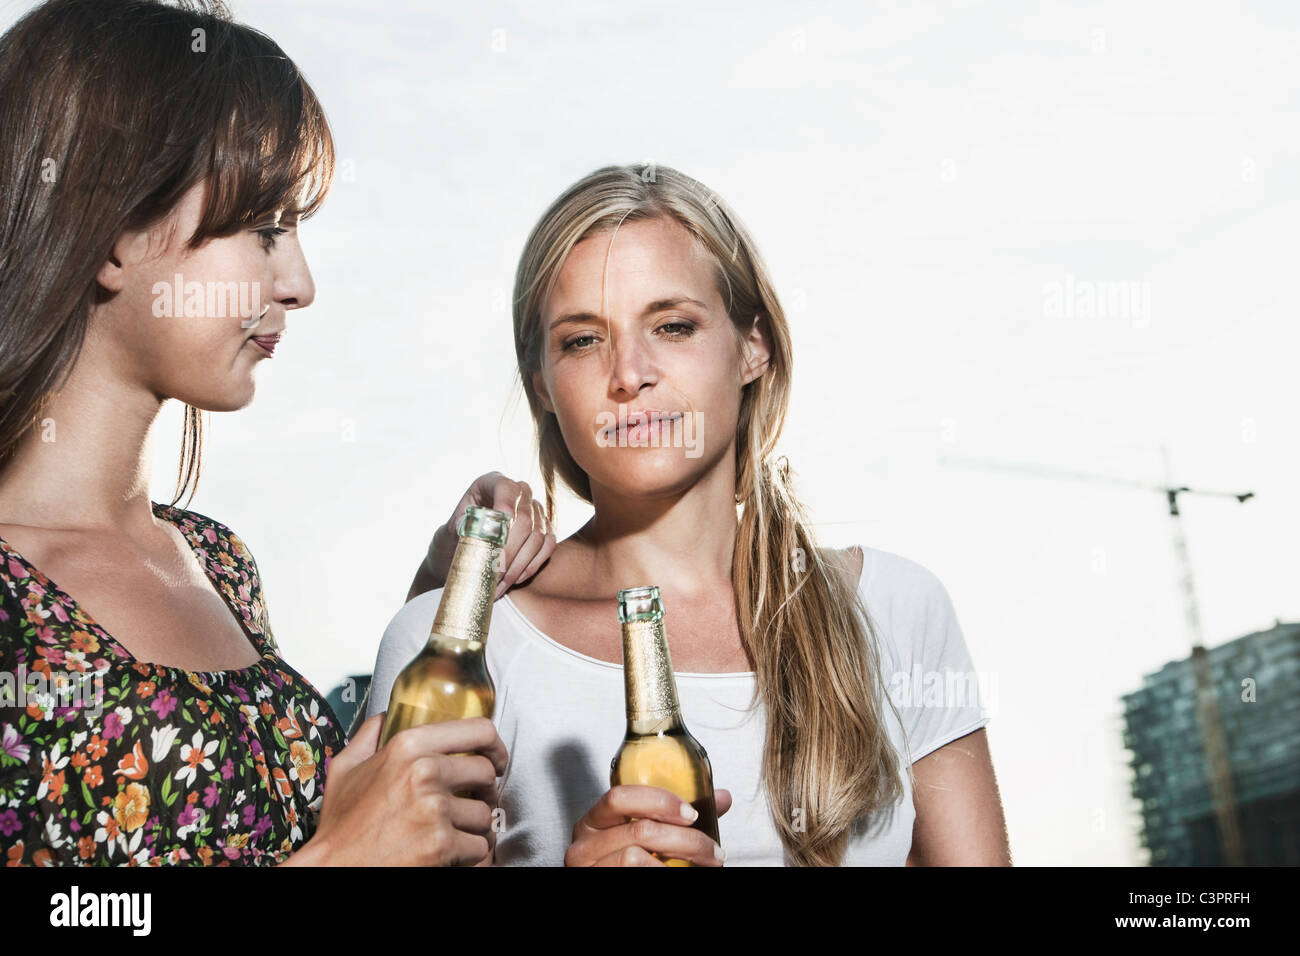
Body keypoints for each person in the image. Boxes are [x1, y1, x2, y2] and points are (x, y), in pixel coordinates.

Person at [369, 163, 1013, 866]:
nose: (629, 373)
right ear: (544, 388)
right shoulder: (464, 652)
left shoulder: (897, 609)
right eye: (583, 340)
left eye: (673, 326)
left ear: (753, 347)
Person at [0, 0, 522, 866]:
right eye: (266, 227)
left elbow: (258, 814)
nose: (300, 284)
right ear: (117, 232)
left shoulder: (219, 561)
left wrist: (439, 592)